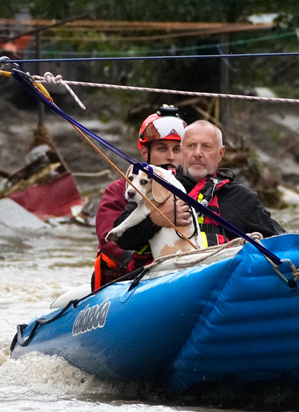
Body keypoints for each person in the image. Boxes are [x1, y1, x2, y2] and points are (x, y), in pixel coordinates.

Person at [110, 119, 284, 265]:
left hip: (219, 279)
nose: (198, 153)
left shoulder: (243, 198)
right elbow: (122, 240)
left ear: (220, 153)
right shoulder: (156, 186)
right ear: (182, 151)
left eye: (207, 147)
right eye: (191, 146)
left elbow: (281, 242)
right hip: (161, 280)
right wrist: (156, 219)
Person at [93, 106, 186, 289]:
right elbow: (108, 237)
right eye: (162, 148)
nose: (170, 156)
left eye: (177, 150)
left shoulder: (190, 189)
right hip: (130, 278)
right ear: (145, 152)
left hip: (180, 272)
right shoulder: (119, 189)